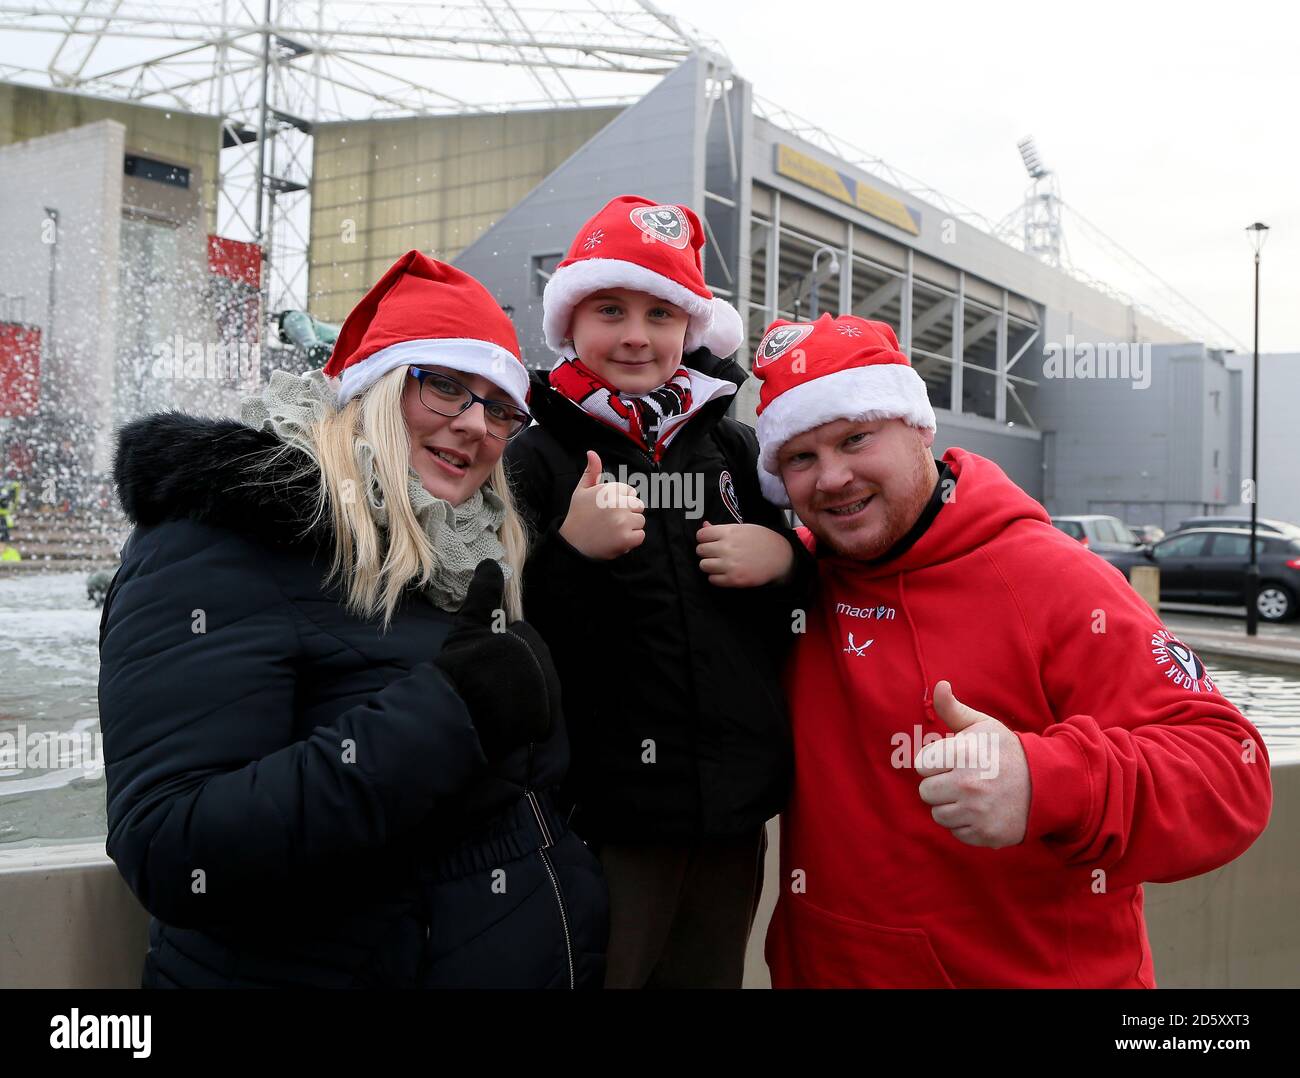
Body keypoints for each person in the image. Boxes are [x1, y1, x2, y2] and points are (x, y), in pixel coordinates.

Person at [99, 251, 608, 988]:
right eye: (444, 388)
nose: (475, 427)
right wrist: (449, 713)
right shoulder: (215, 545)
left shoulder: (464, 550)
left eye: (500, 408)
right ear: (372, 391)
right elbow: (175, 851)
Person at [752, 313, 1273, 988]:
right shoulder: (800, 578)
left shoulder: (1053, 578)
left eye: (856, 439)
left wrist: (1046, 783)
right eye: (801, 458)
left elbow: (1232, 773)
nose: (831, 478)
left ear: (917, 430)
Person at [505, 195, 811, 988]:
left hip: (734, 813)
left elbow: (807, 613)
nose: (636, 334)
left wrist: (784, 562)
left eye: (661, 312)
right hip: (603, 818)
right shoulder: (535, 458)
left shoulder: (737, 451)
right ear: (570, 322)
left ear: (692, 328)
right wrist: (570, 554)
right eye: (611, 308)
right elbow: (501, 628)